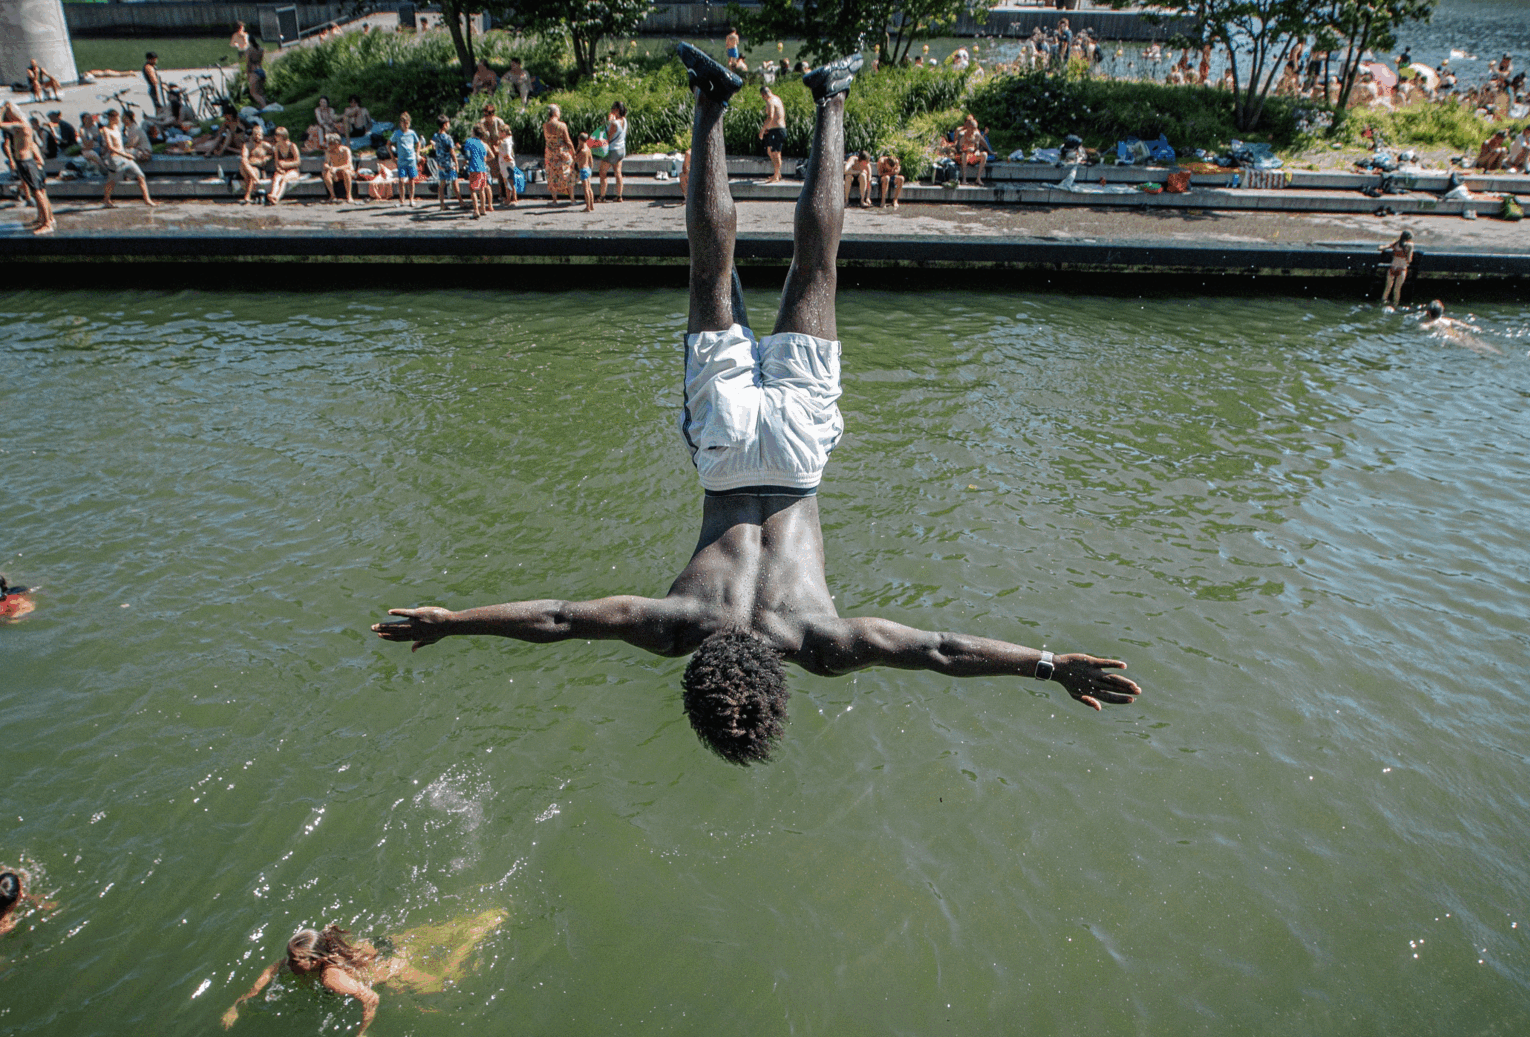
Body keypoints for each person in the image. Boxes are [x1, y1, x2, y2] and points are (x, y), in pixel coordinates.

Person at [371, 42, 1138, 766]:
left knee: (816, 268)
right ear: (698, 679)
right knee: (712, 273)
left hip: (800, 450)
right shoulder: (681, 629)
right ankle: (711, 97)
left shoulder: (821, 642)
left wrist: (1050, 664)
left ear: (777, 691)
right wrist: (454, 620)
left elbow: (938, 648)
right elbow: (562, 617)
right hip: (727, 449)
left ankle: (831, 98)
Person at [222, 911, 505, 1037]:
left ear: (315, 960)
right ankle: (483, 917)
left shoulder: (331, 977)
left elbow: (371, 997)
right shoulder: (310, 954)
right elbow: (271, 971)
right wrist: (239, 1004)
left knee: (445, 981)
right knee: (438, 932)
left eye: (295, 960)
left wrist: (361, 1032)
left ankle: (474, 936)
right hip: (377, 946)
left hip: (391, 966)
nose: (288, 963)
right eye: (289, 957)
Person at [100, 109, 157, 211]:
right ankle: (106, 200)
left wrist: (126, 155)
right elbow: (110, 147)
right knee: (112, 181)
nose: (119, 120)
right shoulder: (106, 130)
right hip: (115, 159)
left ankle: (147, 199)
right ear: (111, 118)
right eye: (117, 118)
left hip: (125, 157)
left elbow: (121, 144)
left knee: (141, 176)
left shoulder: (117, 127)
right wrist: (125, 154)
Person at [543, 104, 577, 202]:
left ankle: (554, 200)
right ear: (555, 113)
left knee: (552, 175)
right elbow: (568, 140)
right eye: (558, 111)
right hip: (561, 153)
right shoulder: (561, 125)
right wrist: (574, 152)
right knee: (568, 173)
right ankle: (572, 199)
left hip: (550, 153)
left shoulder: (545, 125)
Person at [390, 111, 422, 204]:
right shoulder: (397, 133)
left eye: (407, 123)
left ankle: (411, 198)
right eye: (404, 123)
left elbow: (418, 142)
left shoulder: (412, 133)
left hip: (411, 159)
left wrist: (417, 153)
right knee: (401, 180)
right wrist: (392, 156)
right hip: (401, 160)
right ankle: (402, 198)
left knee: (412, 179)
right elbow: (388, 144)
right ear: (400, 123)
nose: (406, 125)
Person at [431, 115, 463, 209]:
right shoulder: (448, 137)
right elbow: (452, 152)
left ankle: (442, 204)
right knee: (454, 183)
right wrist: (456, 163)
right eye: (448, 123)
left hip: (440, 164)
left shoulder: (436, 136)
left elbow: (434, 146)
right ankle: (461, 202)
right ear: (445, 125)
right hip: (449, 164)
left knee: (442, 184)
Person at [758, 83, 786, 183]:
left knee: (776, 153)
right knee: (770, 150)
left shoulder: (770, 101)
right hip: (774, 129)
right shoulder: (777, 98)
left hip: (778, 130)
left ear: (763, 95)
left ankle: (777, 176)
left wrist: (762, 130)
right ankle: (776, 173)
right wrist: (768, 128)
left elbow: (770, 116)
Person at [461, 123, 492, 217]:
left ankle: (476, 211)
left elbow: (467, 155)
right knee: (482, 189)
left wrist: (465, 161)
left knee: (473, 189)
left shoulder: (469, 141)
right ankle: (483, 209)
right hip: (483, 168)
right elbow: (485, 156)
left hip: (474, 168)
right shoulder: (483, 143)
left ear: (474, 132)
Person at [266, 126, 301, 206]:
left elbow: (298, 162)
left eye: (277, 135)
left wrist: (286, 164)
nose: (275, 137)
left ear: (282, 136)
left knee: (284, 179)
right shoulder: (277, 147)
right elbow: (277, 162)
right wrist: (279, 169)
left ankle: (277, 198)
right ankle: (273, 194)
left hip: (293, 170)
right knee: (276, 178)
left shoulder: (292, 146)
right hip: (282, 169)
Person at [602, 101, 629, 201]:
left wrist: (609, 122)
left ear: (616, 110)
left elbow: (608, 138)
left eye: (612, 109)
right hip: (621, 149)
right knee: (618, 173)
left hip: (612, 150)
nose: (611, 111)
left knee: (602, 173)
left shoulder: (614, 123)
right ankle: (619, 196)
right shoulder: (624, 120)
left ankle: (602, 196)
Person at [1379, 229, 1415, 306]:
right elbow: (1409, 259)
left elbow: (1381, 248)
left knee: (1387, 288)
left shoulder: (1395, 243)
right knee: (1397, 290)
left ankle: (1383, 302)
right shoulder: (1410, 245)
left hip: (1393, 267)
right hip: (1402, 269)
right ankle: (1395, 304)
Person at [237, 130, 272, 205]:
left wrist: (267, 158)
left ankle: (247, 196)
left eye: (259, 135)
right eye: (255, 134)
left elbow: (274, 153)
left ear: (262, 135)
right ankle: (256, 181)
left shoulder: (265, 145)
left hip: (257, 167)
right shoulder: (247, 145)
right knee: (243, 160)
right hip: (246, 166)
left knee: (251, 174)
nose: (257, 136)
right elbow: (244, 156)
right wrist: (247, 163)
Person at [323, 132, 356, 202]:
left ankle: (349, 196)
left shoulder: (345, 150)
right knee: (325, 173)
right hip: (335, 171)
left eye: (330, 144)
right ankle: (332, 196)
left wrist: (337, 168)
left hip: (346, 170)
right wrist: (329, 168)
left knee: (346, 172)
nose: (329, 145)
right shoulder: (328, 151)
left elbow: (348, 164)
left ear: (336, 143)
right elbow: (326, 163)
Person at [573, 131, 597, 213]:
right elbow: (591, 160)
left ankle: (587, 207)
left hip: (583, 169)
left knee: (585, 189)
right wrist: (591, 168)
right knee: (589, 188)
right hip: (588, 169)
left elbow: (575, 159)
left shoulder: (582, 151)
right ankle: (592, 205)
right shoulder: (588, 149)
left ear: (580, 140)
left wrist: (576, 149)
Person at [141, 52, 164, 116]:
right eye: (154, 59)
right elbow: (154, 80)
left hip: (154, 89)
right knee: (159, 107)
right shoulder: (148, 67)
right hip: (154, 89)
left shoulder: (152, 67)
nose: (155, 61)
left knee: (159, 107)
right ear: (149, 59)